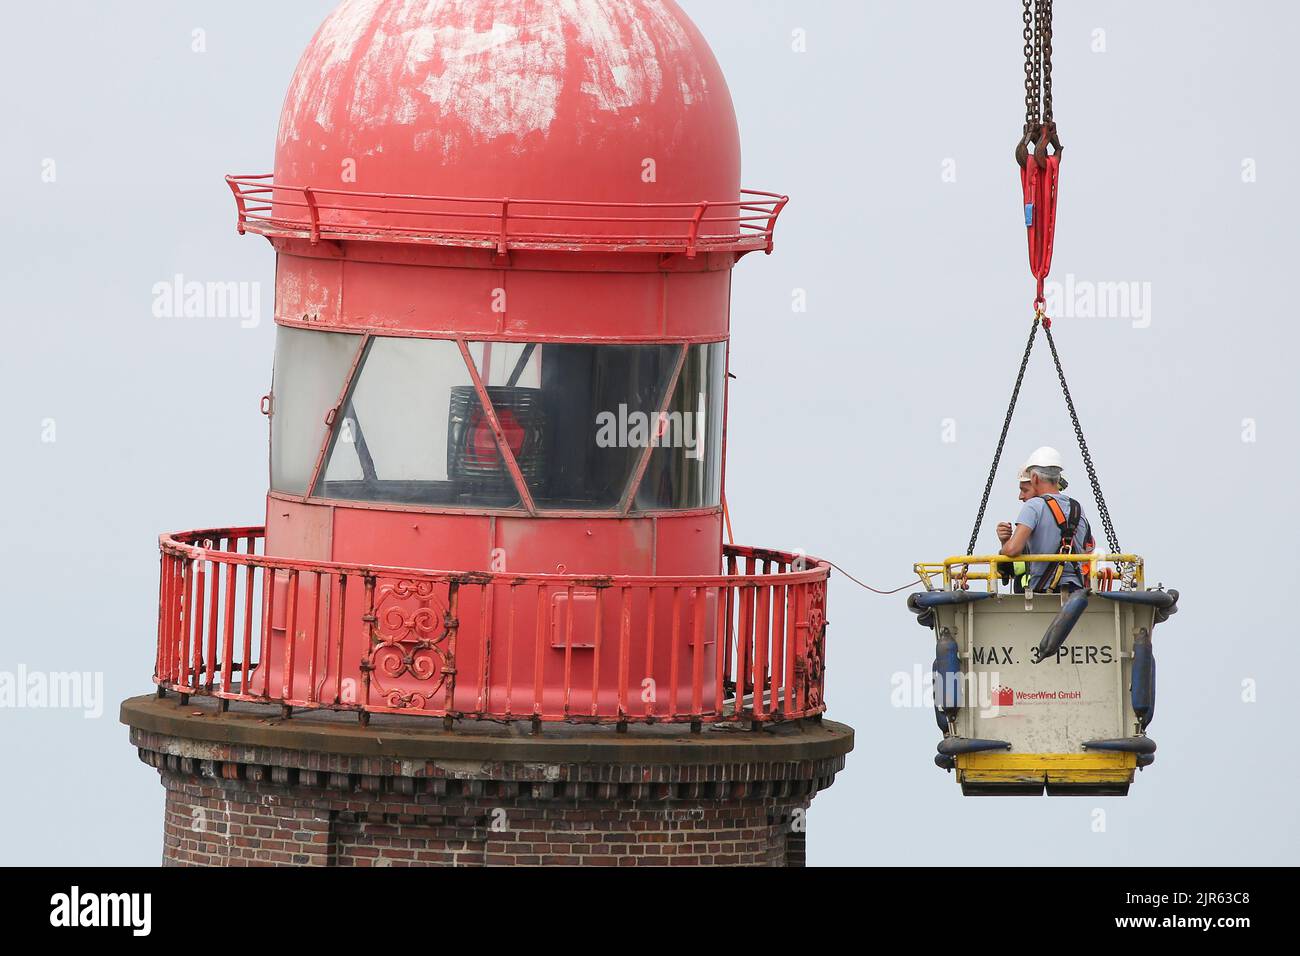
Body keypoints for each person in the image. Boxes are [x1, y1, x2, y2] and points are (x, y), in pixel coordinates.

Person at [996, 446, 1093, 593]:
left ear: (1034, 478)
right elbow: (1087, 550)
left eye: (1024, 490)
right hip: (1076, 592)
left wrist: (1005, 546)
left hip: (1043, 592)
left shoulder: (1034, 506)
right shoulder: (1077, 507)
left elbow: (1013, 549)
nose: (1021, 496)